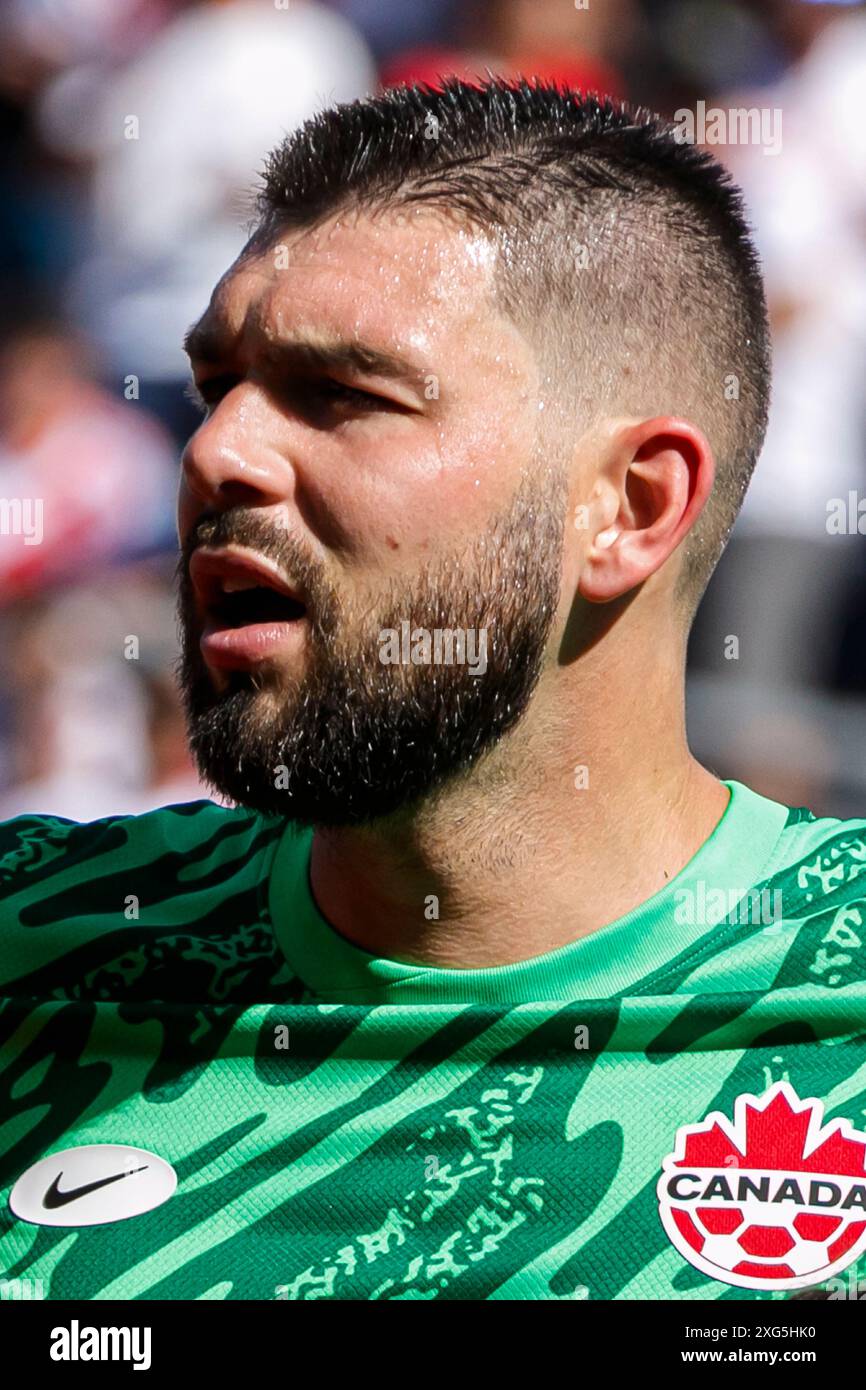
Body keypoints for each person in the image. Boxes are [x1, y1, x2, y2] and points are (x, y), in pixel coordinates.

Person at [1, 80, 864, 1303]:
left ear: (626, 508)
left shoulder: (836, 991)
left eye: (343, 394)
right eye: (216, 386)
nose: (213, 453)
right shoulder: (36, 954)